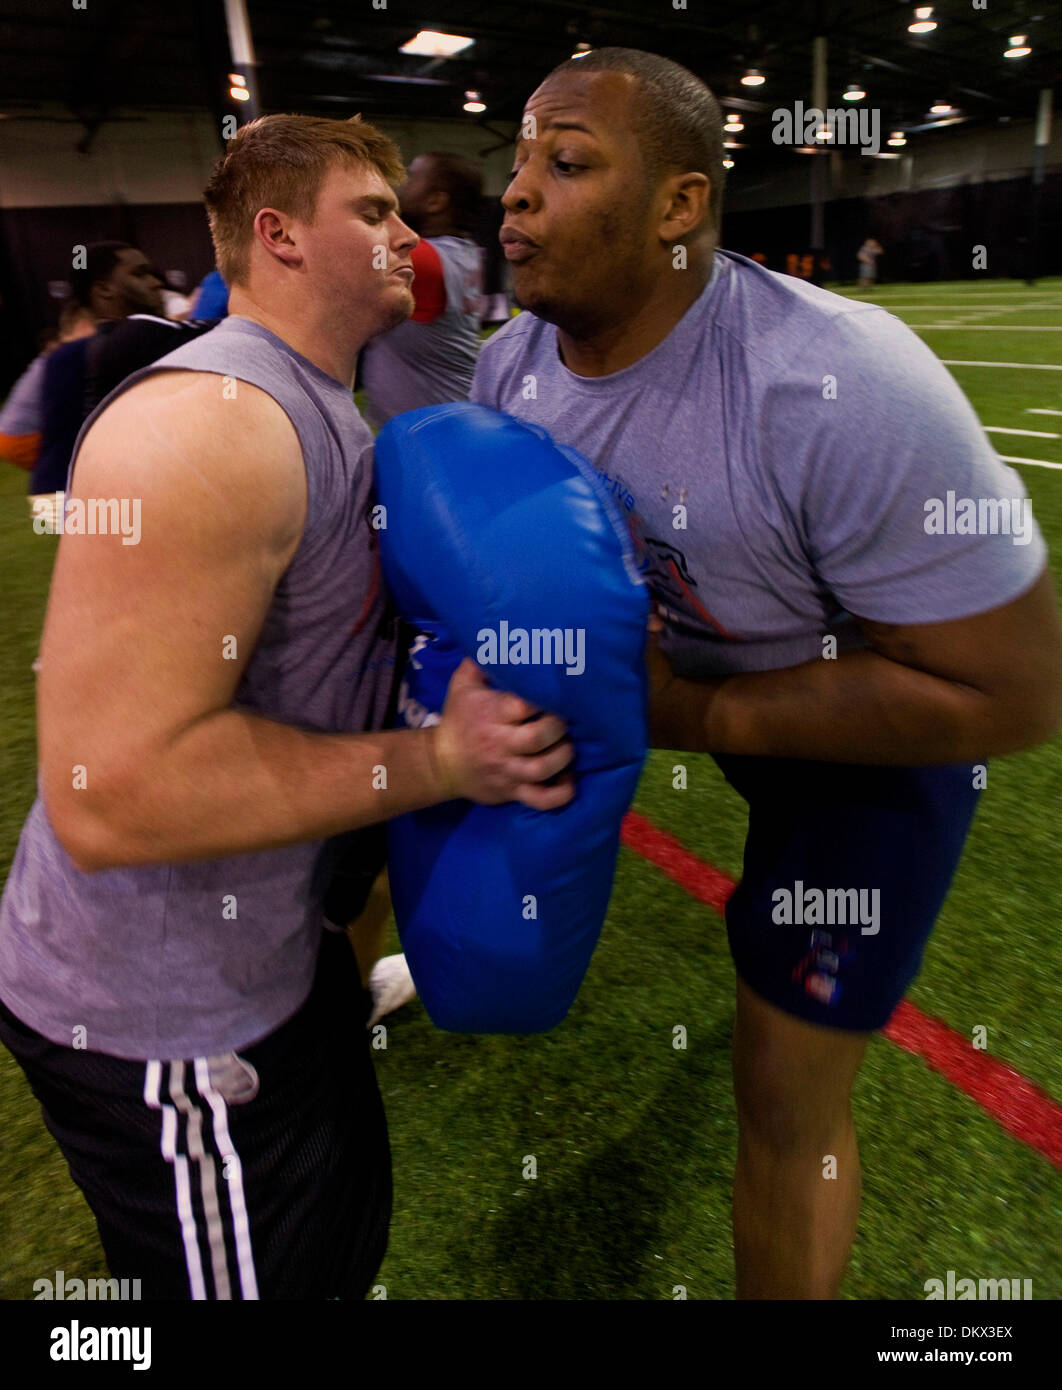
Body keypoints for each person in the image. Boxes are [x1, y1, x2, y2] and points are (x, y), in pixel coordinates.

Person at [472, 47, 1062, 1299]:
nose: (515, 193)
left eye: (565, 162)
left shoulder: (841, 384)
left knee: (784, 1103)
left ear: (681, 204)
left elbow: (1013, 694)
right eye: (516, 160)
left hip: (870, 753)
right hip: (710, 691)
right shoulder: (506, 371)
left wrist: (684, 706)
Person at [0, 113, 574, 1301]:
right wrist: (442, 764)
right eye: (374, 213)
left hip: (276, 962)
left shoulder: (319, 407)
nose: (407, 238)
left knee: (335, 1248)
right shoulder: (212, 425)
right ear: (279, 236)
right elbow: (118, 793)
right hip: (166, 1023)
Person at [30, 242, 166, 499]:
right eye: (140, 274)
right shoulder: (105, 352)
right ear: (103, 290)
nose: (156, 282)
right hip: (76, 491)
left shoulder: (70, 355)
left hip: (63, 490)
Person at [360, 151, 485, 428]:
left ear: (435, 202)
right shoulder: (463, 251)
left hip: (433, 432)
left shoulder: (423, 261)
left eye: (413, 177)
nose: (400, 186)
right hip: (437, 420)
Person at [0, 301, 94, 473]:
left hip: (11, 433)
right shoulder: (61, 360)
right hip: (22, 437)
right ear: (82, 326)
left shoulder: (54, 358)